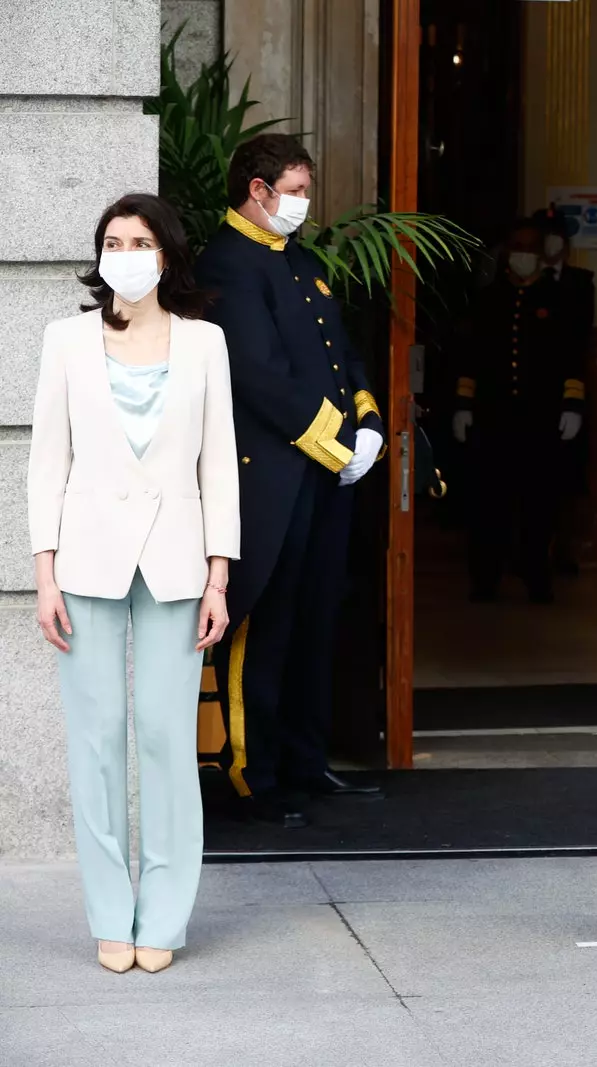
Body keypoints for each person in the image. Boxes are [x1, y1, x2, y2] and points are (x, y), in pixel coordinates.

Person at [29, 194, 239, 973]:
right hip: (83, 563)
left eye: (140, 240)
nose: (125, 252)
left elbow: (217, 465)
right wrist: (43, 572)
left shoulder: (206, 343)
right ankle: (110, 912)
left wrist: (219, 575)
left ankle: (166, 914)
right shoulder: (66, 341)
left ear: (166, 255)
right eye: (113, 241)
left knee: (163, 738)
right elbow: (45, 461)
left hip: (180, 565)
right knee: (96, 742)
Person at [193, 134, 385, 829]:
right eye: (295, 191)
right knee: (261, 626)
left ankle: (306, 761)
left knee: (313, 619)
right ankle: (253, 771)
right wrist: (337, 442)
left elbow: (342, 351)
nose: (303, 204)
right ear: (258, 190)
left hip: (325, 475)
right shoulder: (229, 264)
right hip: (271, 479)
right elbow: (259, 375)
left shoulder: (298, 259)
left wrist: (366, 419)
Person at [452, 208, 592, 602]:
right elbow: (470, 357)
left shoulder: (559, 298)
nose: (524, 255)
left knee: (539, 505)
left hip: (541, 421)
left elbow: (573, 357)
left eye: (531, 248)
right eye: (518, 248)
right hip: (492, 418)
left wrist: (572, 406)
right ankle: (485, 579)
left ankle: (536, 577)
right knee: (488, 505)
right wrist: (463, 404)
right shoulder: (487, 299)